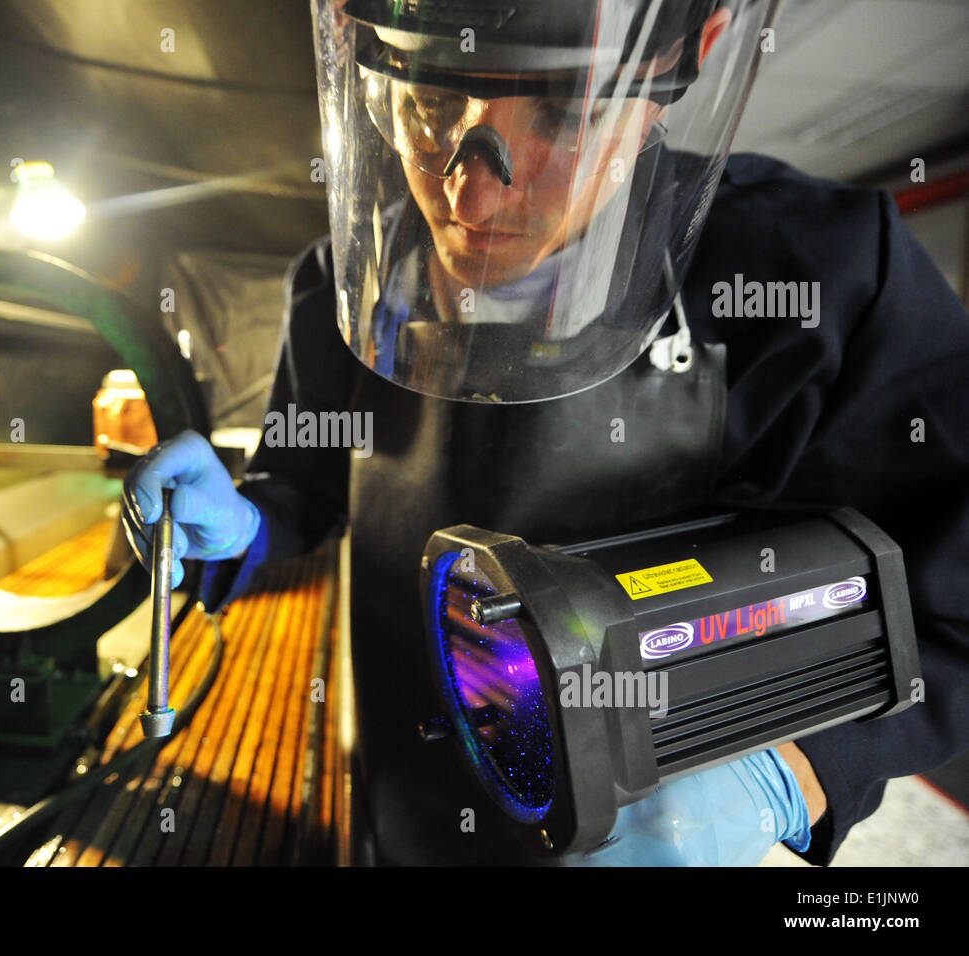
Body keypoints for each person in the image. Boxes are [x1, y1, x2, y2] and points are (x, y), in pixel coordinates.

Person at [123, 0, 969, 865]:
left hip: (647, 825)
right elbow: (305, 487)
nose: (472, 189)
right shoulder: (343, 281)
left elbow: (953, 610)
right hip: (397, 795)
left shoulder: (815, 276)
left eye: (565, 114)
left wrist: (789, 770)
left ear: (693, 51)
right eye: (431, 104)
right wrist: (241, 523)